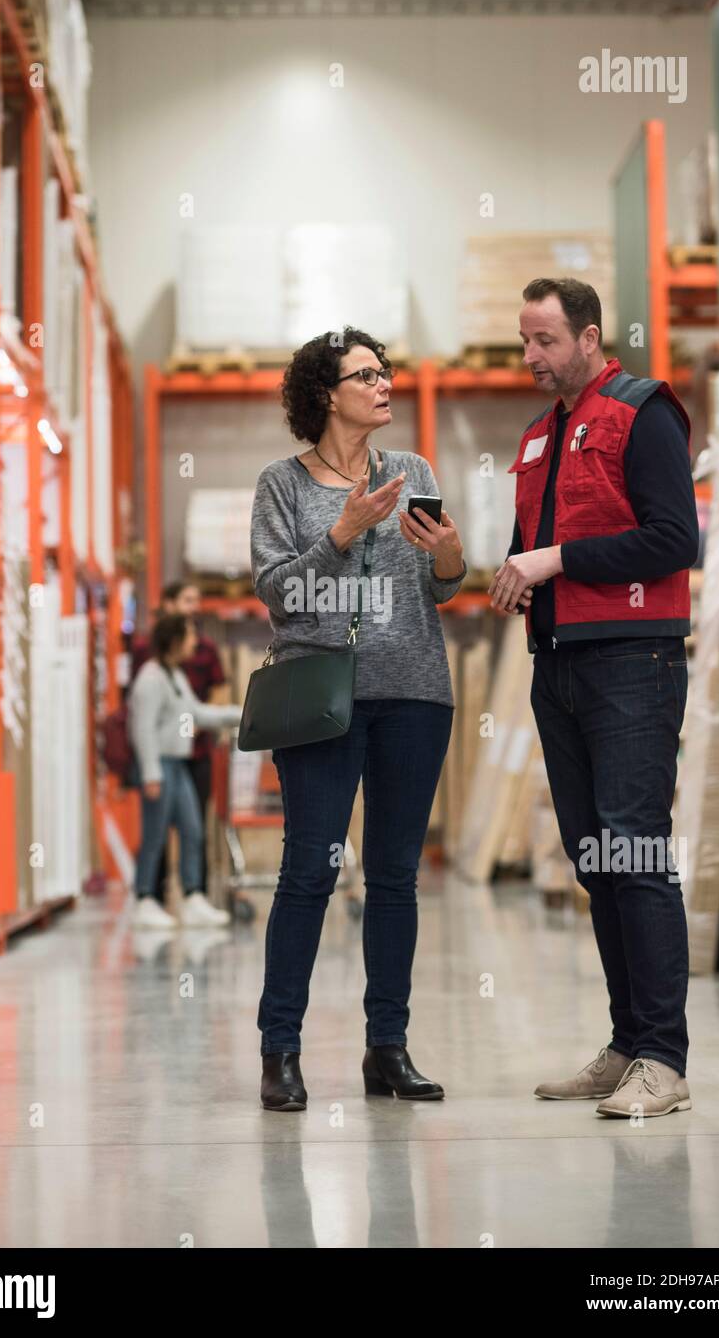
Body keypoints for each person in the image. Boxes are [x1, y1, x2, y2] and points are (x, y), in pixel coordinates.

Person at [490, 277, 699, 1120]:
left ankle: (665, 1058)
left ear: (589, 337)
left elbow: (673, 538)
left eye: (544, 340)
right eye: (523, 341)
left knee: (637, 854)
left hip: (634, 662)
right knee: (596, 860)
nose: (532, 356)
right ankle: (626, 1044)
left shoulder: (641, 411)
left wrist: (557, 562)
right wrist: (503, 569)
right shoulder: (539, 437)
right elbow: (526, 551)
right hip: (560, 667)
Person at [249, 325, 468, 1111]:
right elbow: (276, 592)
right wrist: (341, 533)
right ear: (325, 395)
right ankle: (280, 1052)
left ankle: (388, 1049)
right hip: (320, 699)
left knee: (395, 879)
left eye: (387, 372)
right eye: (367, 375)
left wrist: (446, 552)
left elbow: (445, 586)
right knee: (309, 872)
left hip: (413, 693)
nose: (384, 384)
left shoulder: (411, 470)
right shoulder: (282, 484)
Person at [127, 613, 242, 930]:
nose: (196, 642)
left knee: (193, 829)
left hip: (178, 766)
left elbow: (197, 713)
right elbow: (143, 729)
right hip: (159, 766)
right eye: (190, 635)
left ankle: (193, 896)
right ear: (175, 640)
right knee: (155, 835)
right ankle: (144, 898)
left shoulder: (174, 676)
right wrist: (151, 773)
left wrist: (241, 715)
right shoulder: (150, 679)